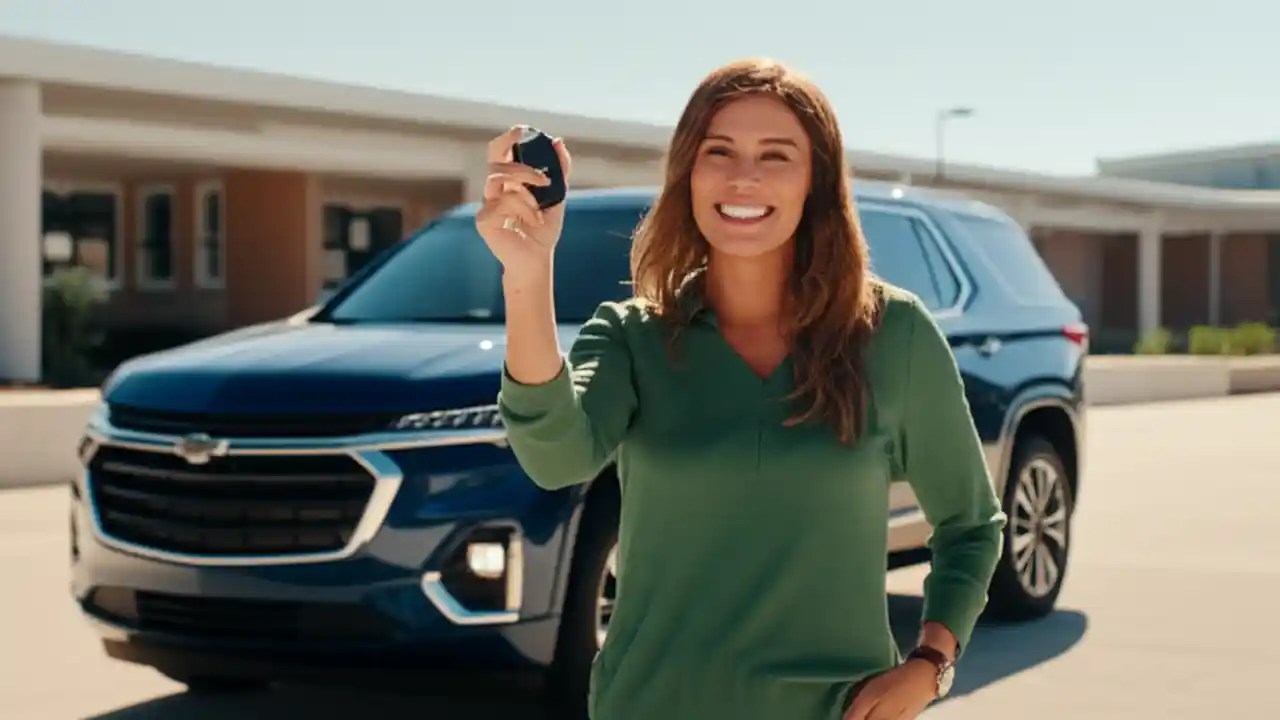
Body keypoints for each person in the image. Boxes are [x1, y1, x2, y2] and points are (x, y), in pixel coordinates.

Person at [476, 58, 1006, 720]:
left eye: (776, 155)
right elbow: (555, 458)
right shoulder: (632, 336)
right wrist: (528, 277)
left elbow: (970, 523)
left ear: (816, 181)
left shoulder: (891, 334)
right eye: (718, 151)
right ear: (688, 175)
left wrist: (929, 666)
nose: (743, 176)